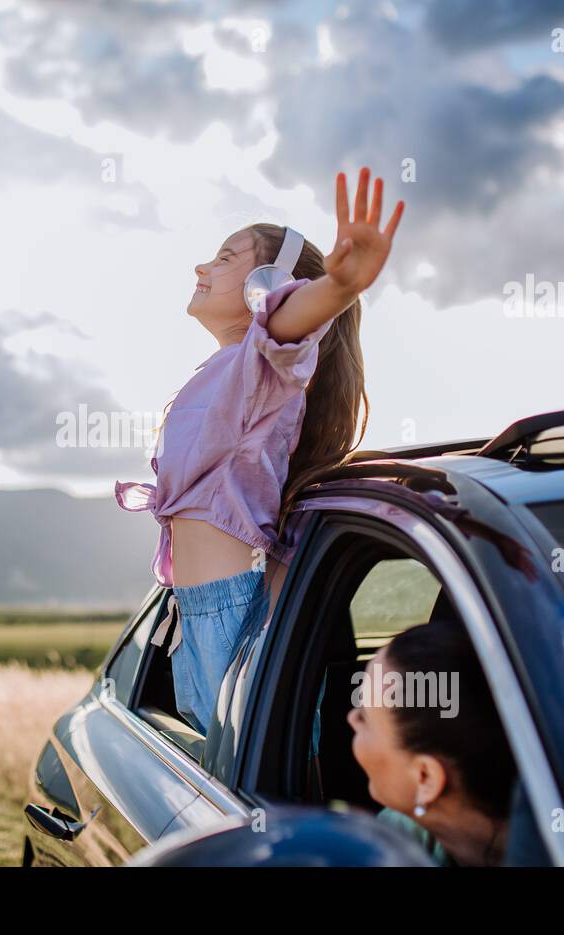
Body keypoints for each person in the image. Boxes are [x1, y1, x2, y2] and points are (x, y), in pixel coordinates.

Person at [116, 169, 404, 734]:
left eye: (224, 258)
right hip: (199, 614)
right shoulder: (225, 372)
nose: (202, 267)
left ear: (267, 286)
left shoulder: (262, 368)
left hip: (233, 615)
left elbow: (287, 328)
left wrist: (338, 288)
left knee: (261, 779)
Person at [346, 621, 517, 866]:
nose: (351, 718)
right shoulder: (400, 829)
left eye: (365, 717)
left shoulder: (391, 849)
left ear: (425, 777)